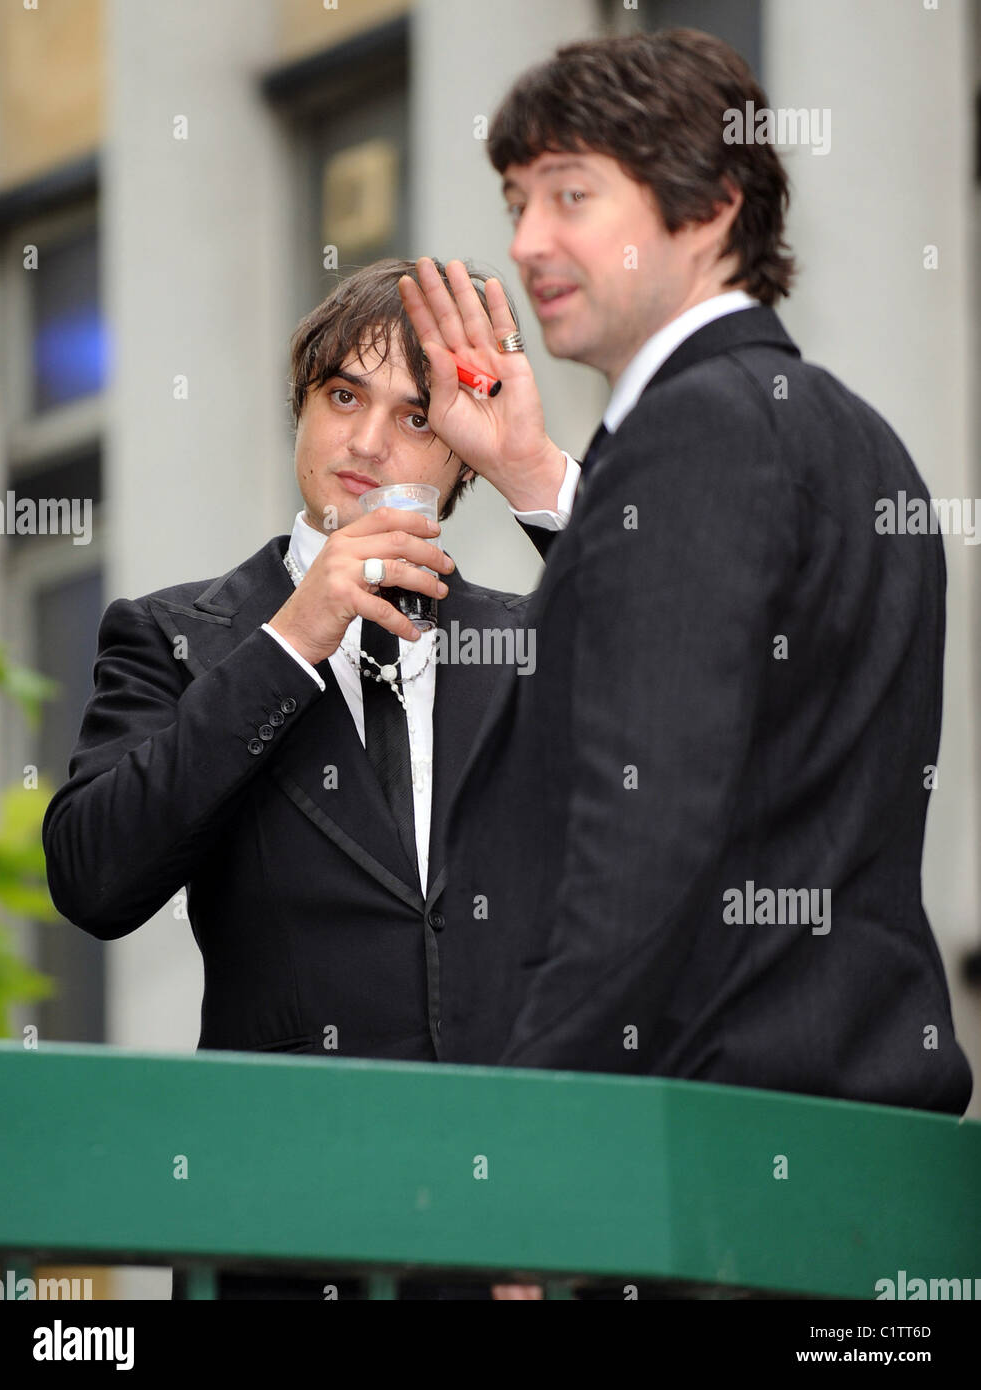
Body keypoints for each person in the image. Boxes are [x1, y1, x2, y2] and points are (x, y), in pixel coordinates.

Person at [398, 29, 973, 1117]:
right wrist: (531, 470)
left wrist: (524, 1151)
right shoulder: (850, 437)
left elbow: (645, 825)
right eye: (515, 200)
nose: (525, 241)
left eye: (570, 195)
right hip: (831, 1139)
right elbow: (715, 698)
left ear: (708, 202)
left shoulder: (695, 433)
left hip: (695, 1156)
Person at [42, 257, 540, 1299]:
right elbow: (92, 877)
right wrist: (297, 634)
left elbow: (706, 691)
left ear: (461, 460)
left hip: (503, 1234)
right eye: (341, 396)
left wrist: (535, 470)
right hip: (277, 1235)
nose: (363, 442)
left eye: (414, 416)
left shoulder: (531, 644)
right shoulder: (175, 637)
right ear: (301, 408)